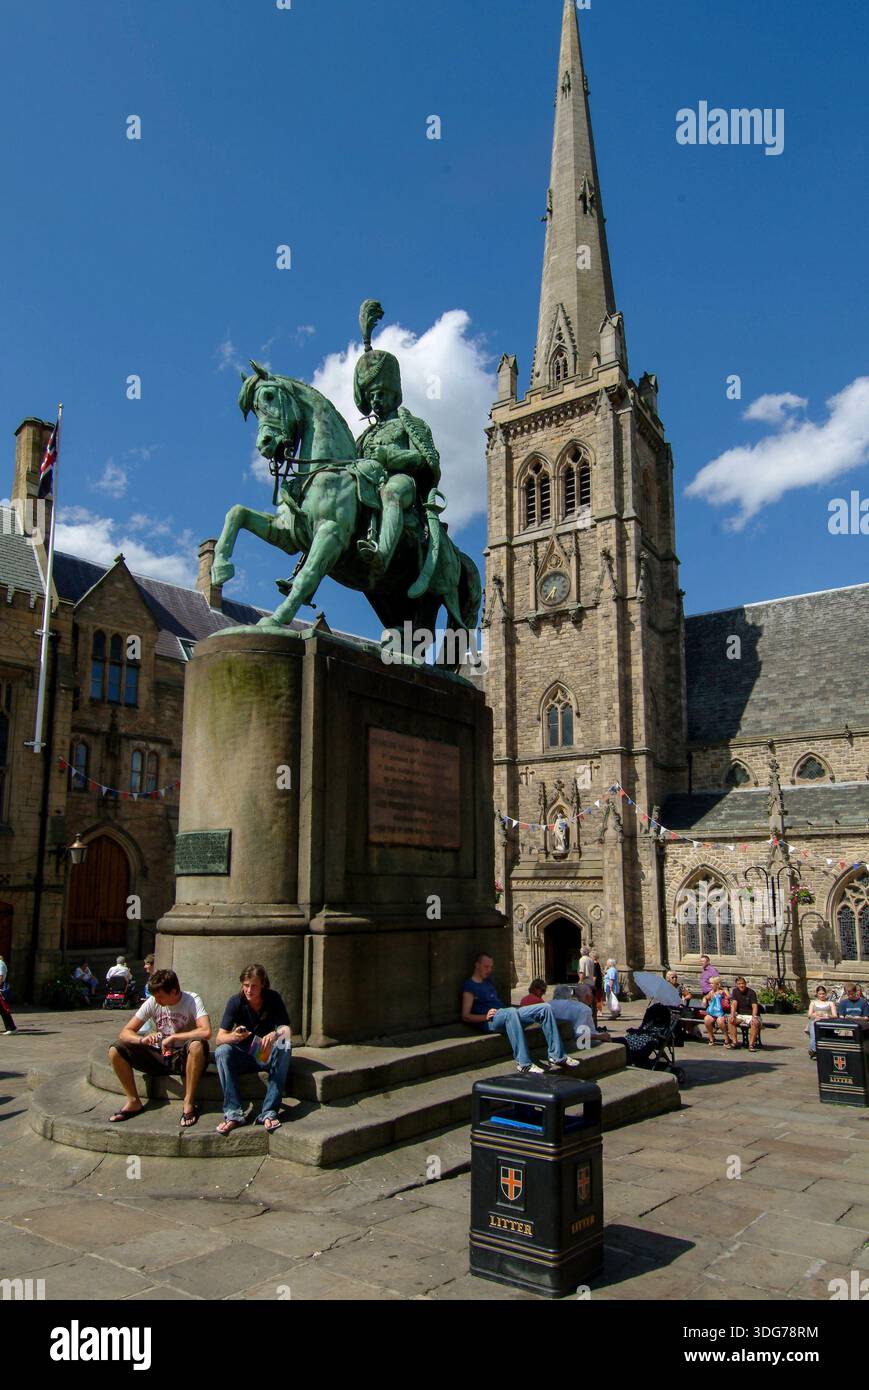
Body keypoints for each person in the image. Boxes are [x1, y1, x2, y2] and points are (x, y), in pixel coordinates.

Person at [107, 968, 211, 1127]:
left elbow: (206, 1031)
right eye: (155, 996)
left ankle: (188, 1102)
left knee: (197, 1045)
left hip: (183, 1055)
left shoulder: (192, 999)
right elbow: (125, 1032)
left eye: (161, 996)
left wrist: (174, 1037)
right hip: (159, 1054)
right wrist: (142, 1040)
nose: (157, 1000)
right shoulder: (153, 1002)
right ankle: (133, 1101)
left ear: (174, 991)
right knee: (116, 1049)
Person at [461, 951, 582, 1074]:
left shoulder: (488, 982)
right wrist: (485, 1016)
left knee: (545, 1008)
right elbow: (465, 1016)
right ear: (477, 965)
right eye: (486, 966)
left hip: (506, 1014)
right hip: (491, 1020)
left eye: (491, 967)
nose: (489, 970)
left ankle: (557, 1055)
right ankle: (524, 1063)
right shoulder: (469, 986)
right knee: (512, 1011)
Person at [214, 964, 293, 1134]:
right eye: (246, 985)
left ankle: (269, 1112)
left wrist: (274, 1034)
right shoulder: (235, 1002)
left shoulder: (273, 998)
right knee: (222, 1051)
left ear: (262, 984)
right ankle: (233, 1114)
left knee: (285, 1044)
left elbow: (287, 1030)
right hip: (242, 1053)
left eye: (254, 986)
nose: (249, 990)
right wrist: (234, 1036)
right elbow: (219, 1038)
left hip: (263, 1053)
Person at [729, 975, 761, 1051]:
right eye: (739, 984)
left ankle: (751, 1045)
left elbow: (754, 1006)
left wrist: (754, 1017)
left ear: (745, 984)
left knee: (755, 1023)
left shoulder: (751, 992)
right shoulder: (735, 991)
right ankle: (735, 1042)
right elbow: (734, 1004)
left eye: (743, 983)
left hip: (750, 1015)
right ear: (736, 984)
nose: (741, 985)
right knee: (730, 1021)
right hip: (741, 1015)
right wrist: (732, 1015)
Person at [702, 976, 733, 1048]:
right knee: (707, 1019)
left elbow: (730, 999)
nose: (710, 985)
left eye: (712, 983)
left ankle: (726, 1038)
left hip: (724, 1013)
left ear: (717, 984)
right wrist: (704, 999)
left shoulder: (724, 991)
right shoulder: (711, 992)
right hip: (714, 1012)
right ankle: (711, 1037)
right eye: (710, 983)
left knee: (720, 1020)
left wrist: (723, 996)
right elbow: (706, 997)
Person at [807, 985, 837, 1058]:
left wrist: (827, 1015)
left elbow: (835, 1016)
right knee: (814, 1033)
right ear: (817, 994)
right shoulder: (813, 1003)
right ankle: (814, 1050)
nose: (822, 995)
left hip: (826, 1021)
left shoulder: (830, 1003)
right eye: (820, 994)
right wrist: (816, 1015)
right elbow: (809, 1015)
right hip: (816, 1021)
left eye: (823, 994)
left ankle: (815, 1051)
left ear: (825, 994)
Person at [0, 956, 17, 1034]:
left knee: (3, 1009)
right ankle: (11, 1028)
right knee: (2, 1009)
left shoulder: (1, 964)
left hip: (0, 988)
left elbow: (0, 977)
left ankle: (11, 1028)